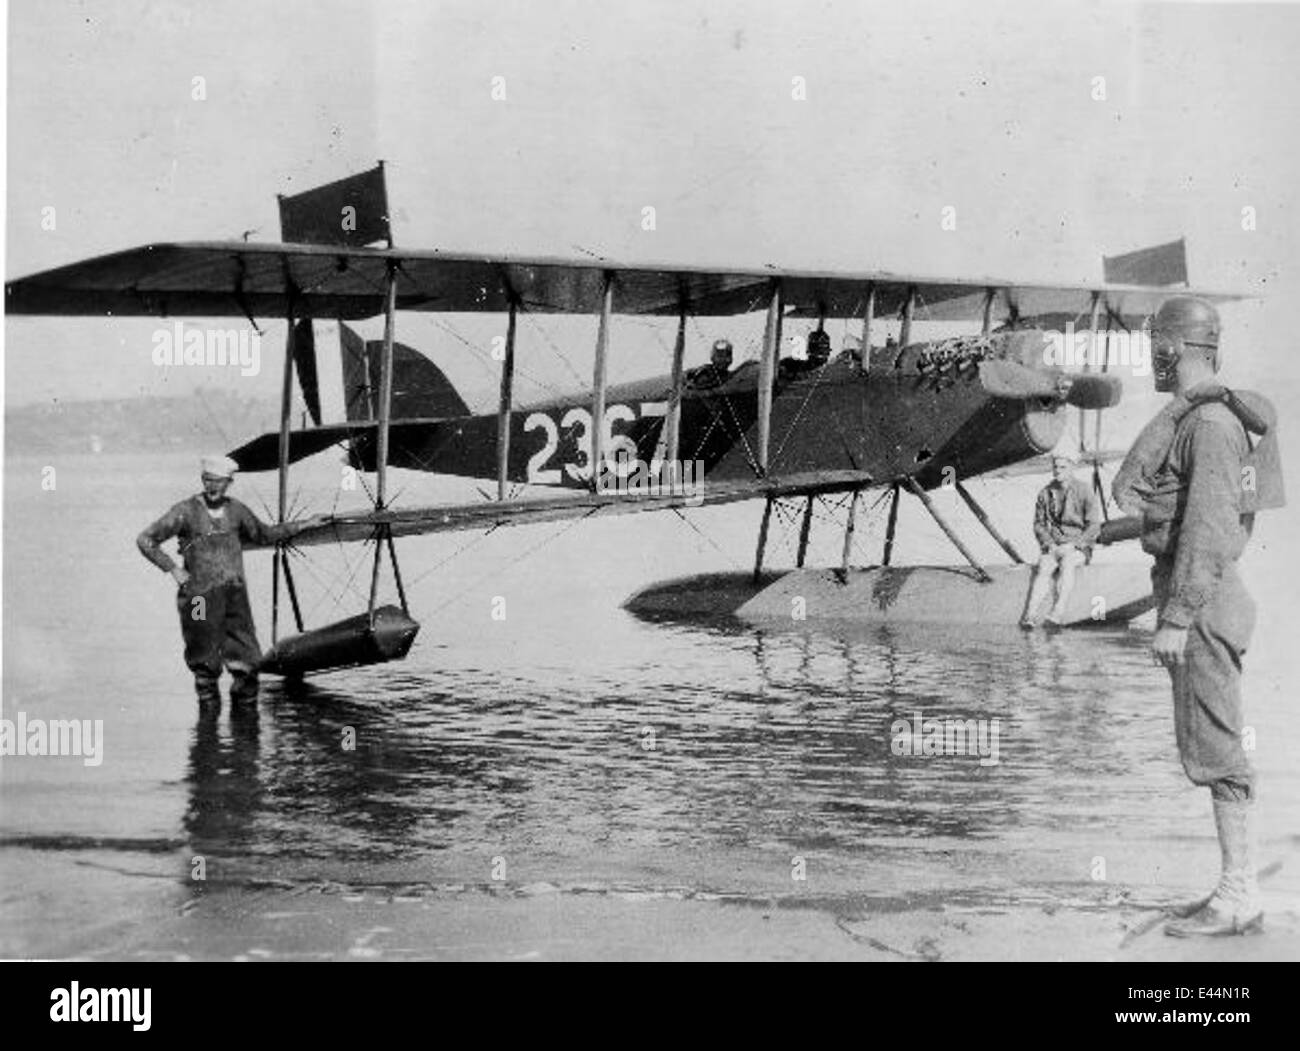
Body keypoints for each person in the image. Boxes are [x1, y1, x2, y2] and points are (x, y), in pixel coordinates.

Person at [1114, 296, 1279, 937]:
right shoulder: (1211, 419)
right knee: (1214, 742)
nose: (1151, 356)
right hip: (1208, 594)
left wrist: (1176, 618)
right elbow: (1184, 512)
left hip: (1203, 603)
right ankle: (1231, 887)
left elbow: (1209, 530)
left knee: (1219, 748)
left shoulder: (1207, 423)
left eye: (1155, 342)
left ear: (1173, 348)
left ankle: (1239, 897)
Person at [137, 455, 325, 708]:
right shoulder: (185, 511)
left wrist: (305, 524)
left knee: (247, 657)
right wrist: (172, 569)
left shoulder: (237, 510)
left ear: (229, 482)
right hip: (198, 597)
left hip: (234, 593)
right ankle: (207, 728)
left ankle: (245, 730)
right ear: (202, 480)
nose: (212, 487)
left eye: (219, 482)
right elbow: (146, 540)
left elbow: (265, 534)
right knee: (203, 657)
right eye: (208, 480)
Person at [1020, 454, 1102, 627]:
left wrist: (1076, 544)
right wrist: (1049, 544)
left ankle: (1058, 611)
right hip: (1054, 546)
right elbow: (1039, 525)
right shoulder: (1045, 492)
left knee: (1068, 563)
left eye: (1063, 467)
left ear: (1072, 469)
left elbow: (1094, 525)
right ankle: (1030, 615)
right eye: (1055, 467)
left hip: (1078, 547)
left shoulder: (1084, 490)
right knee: (1043, 567)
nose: (1057, 470)